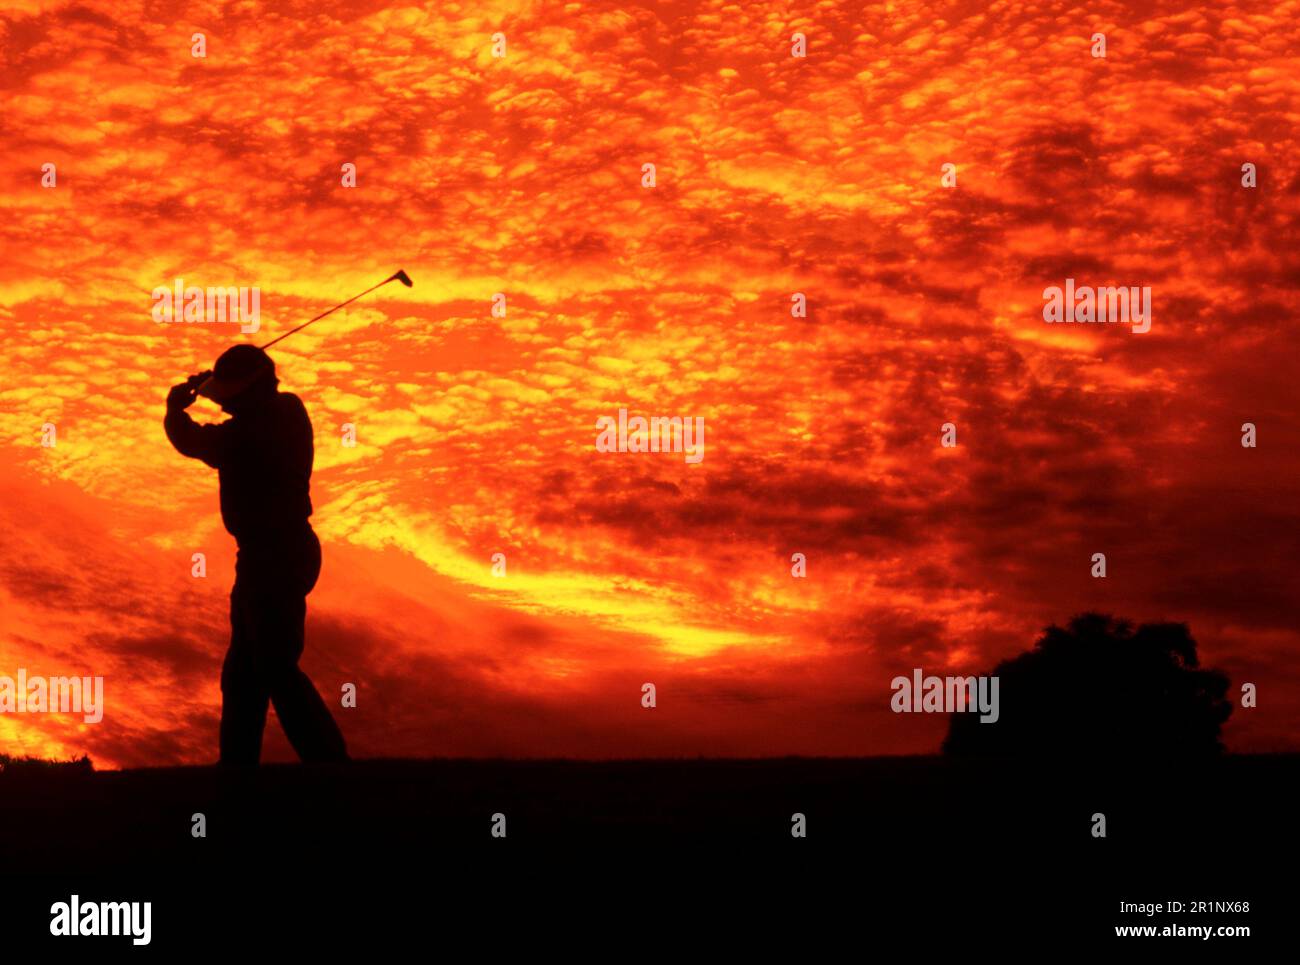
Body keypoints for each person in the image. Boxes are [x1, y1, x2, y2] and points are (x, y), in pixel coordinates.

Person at [165, 344, 348, 767]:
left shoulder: (244, 435)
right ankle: (238, 770)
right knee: (245, 672)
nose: (224, 402)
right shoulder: (290, 410)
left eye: (229, 395)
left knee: (275, 668)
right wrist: (212, 384)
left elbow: (191, 439)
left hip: (272, 556)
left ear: (246, 392)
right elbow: (232, 415)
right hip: (281, 551)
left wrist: (175, 408)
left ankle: (330, 765)